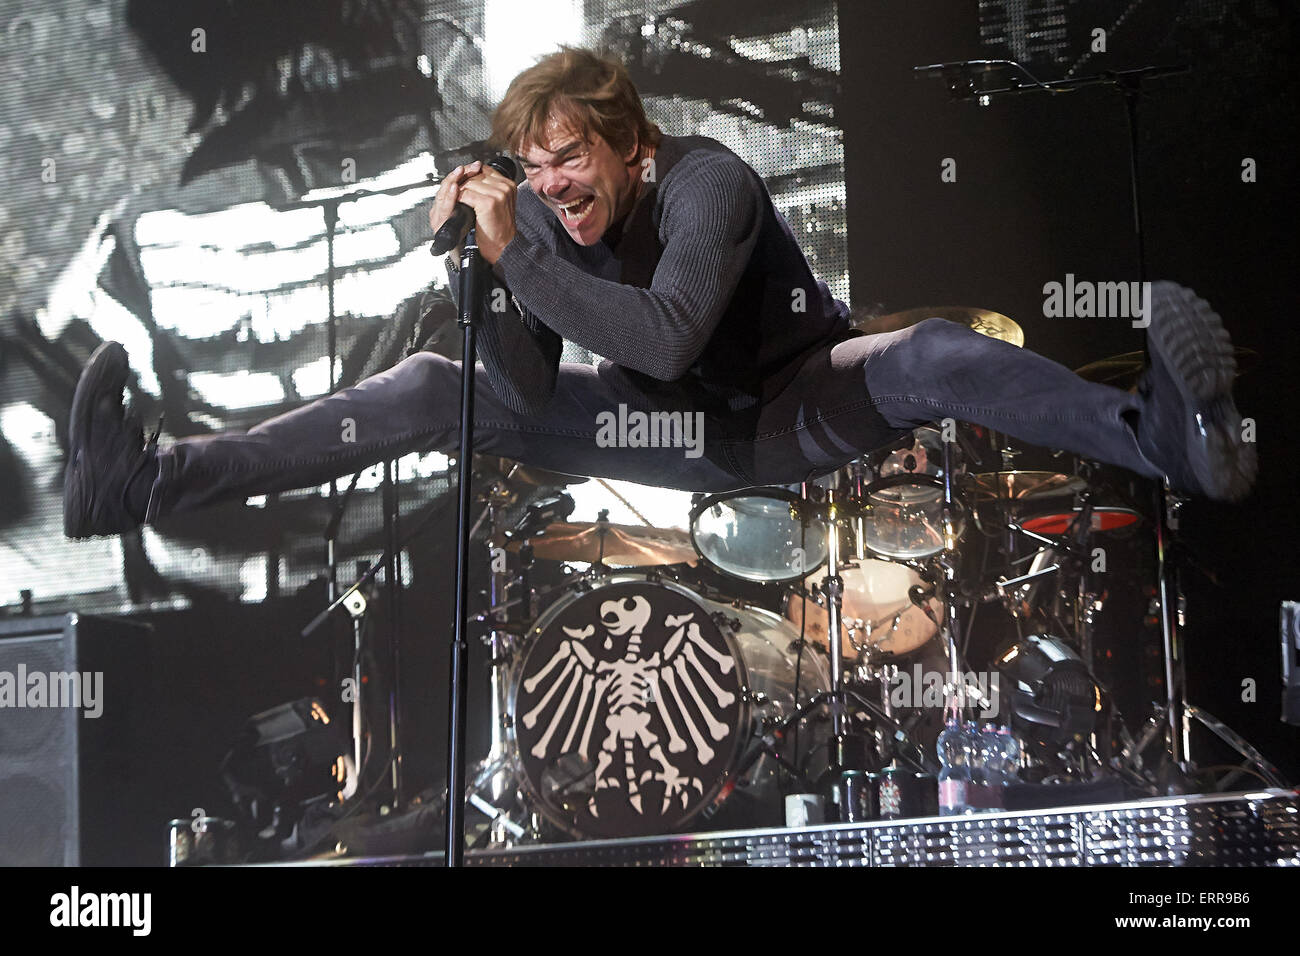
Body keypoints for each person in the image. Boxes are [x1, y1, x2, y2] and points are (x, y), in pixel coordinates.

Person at [63, 46, 1255, 541]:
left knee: (933, 353)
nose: (548, 186)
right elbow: (527, 386)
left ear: (630, 147)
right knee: (437, 382)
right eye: (531, 167)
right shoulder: (534, 218)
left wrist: (517, 257)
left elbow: (673, 337)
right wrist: (487, 287)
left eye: (569, 159)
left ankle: (1165, 437)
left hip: (785, 411)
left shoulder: (707, 185)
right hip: (659, 426)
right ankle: (148, 481)